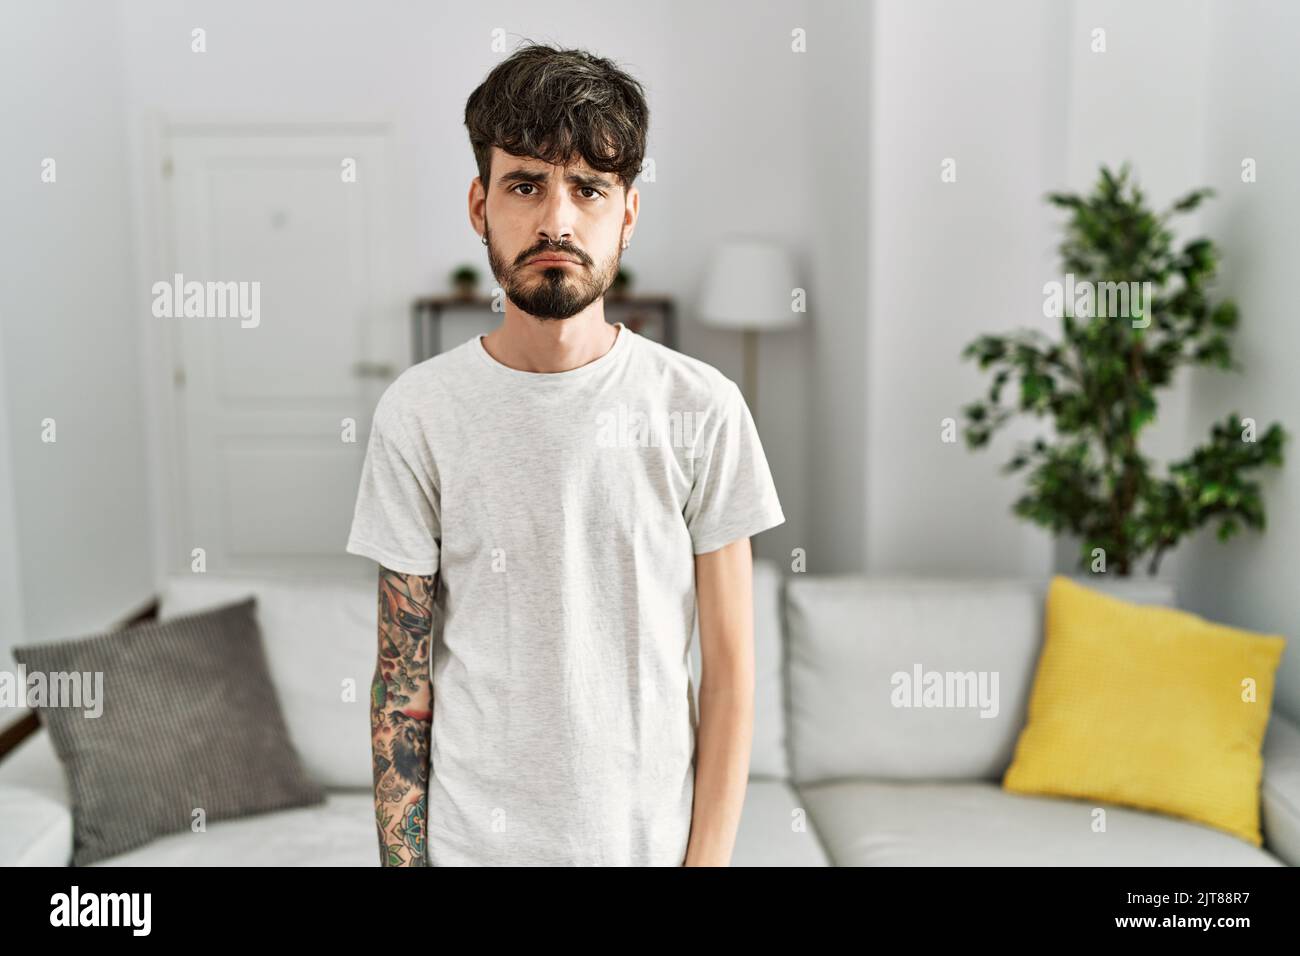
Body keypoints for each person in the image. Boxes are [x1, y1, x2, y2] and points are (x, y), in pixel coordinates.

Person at [346, 41, 784, 866]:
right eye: (525, 184)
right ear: (480, 206)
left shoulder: (703, 409)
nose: (556, 219)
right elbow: (401, 682)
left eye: (588, 187)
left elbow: (729, 676)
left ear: (628, 212)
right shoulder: (420, 411)